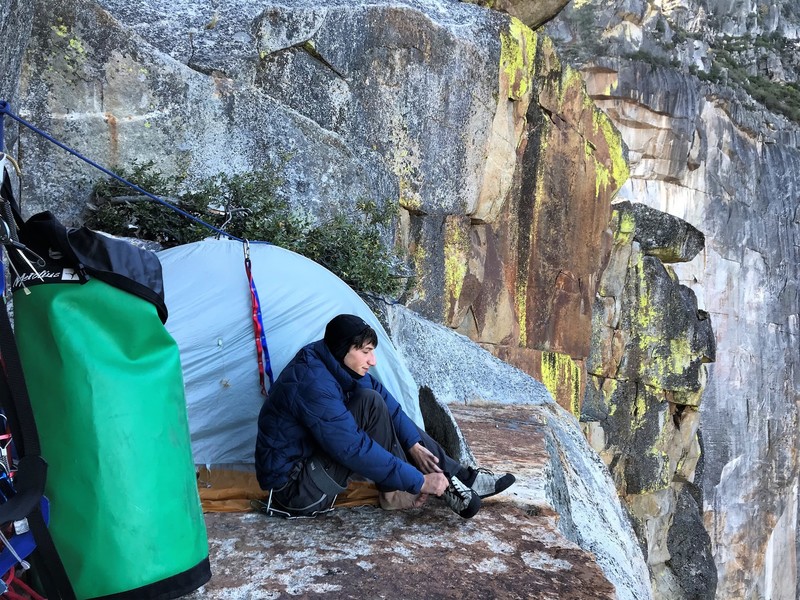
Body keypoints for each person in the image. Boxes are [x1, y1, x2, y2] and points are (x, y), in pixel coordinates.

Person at [254, 314, 515, 518]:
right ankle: (405, 491)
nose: (373, 360)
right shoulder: (313, 384)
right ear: (344, 349)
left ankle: (459, 476)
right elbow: (354, 448)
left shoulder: (329, 358)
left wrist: (413, 445)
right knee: (368, 408)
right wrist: (419, 481)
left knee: (373, 401)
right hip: (295, 491)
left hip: (310, 467)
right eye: (366, 351)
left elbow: (389, 406)